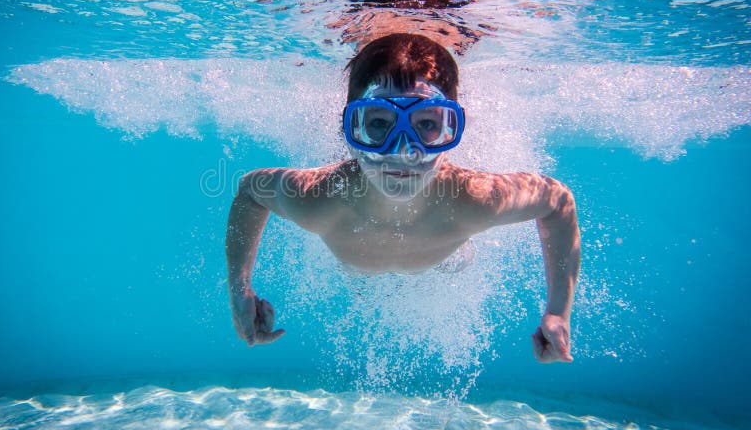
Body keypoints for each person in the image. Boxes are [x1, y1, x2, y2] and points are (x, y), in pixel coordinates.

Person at [226, 33, 581, 363]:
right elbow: (249, 192)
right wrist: (239, 288)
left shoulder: (473, 202)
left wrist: (558, 312)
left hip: (445, 260)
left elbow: (558, 202)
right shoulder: (319, 199)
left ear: (452, 130)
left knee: (456, 262)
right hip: (359, 269)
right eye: (379, 125)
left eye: (426, 125)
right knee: (362, 284)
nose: (403, 151)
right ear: (350, 130)